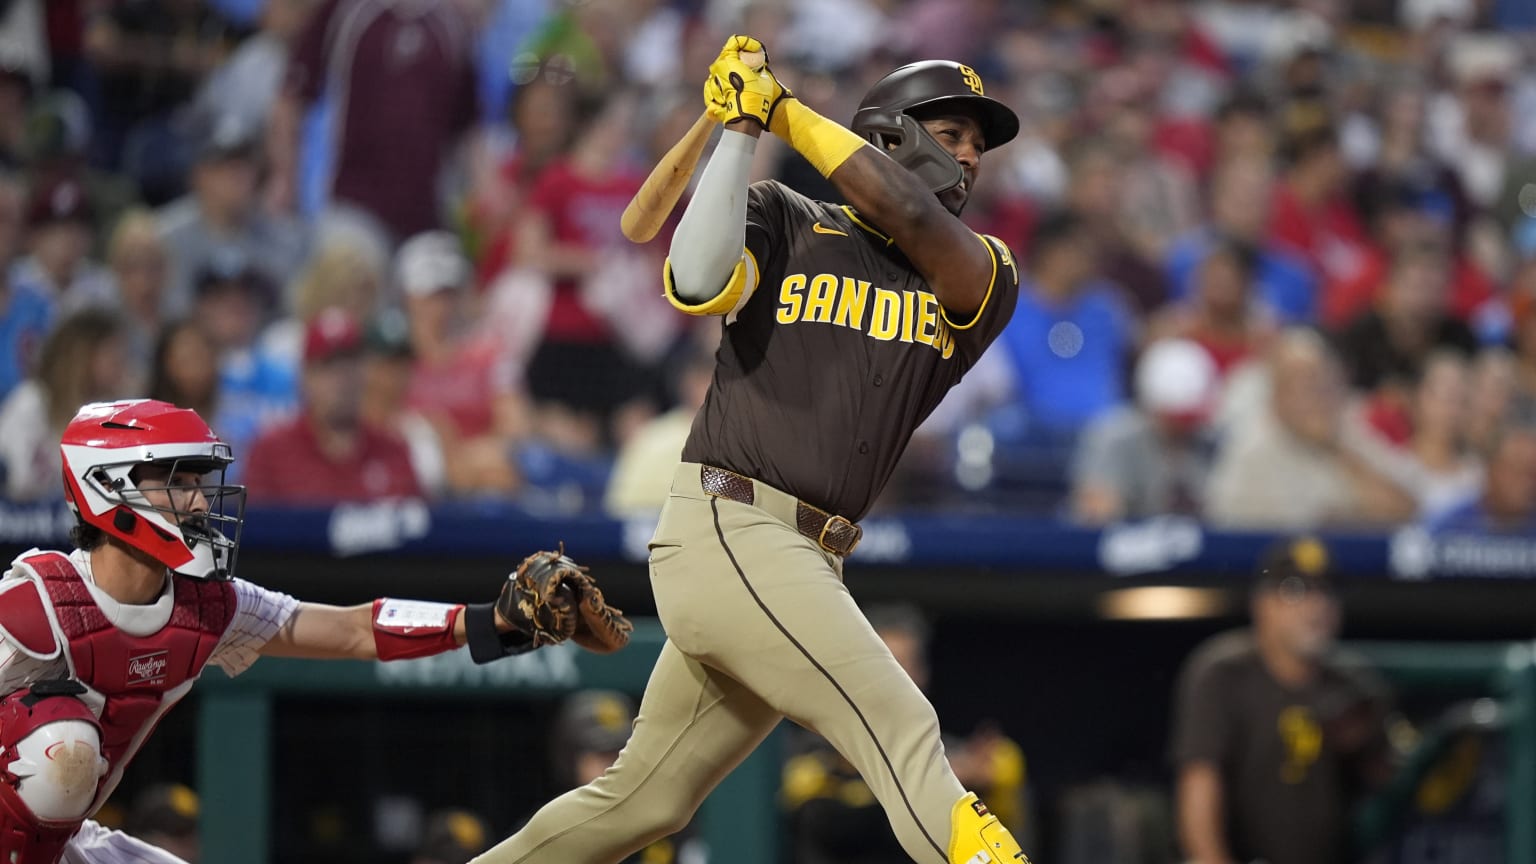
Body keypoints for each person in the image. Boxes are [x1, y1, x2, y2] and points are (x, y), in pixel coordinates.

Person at [473, 35, 1028, 864]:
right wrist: (739, 129)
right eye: (951, 136)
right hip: (732, 522)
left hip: (806, 557)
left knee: (641, 800)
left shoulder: (983, 270)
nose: (970, 158)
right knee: (903, 723)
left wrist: (782, 110)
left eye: (978, 146)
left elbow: (909, 214)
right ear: (891, 135)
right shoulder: (789, 215)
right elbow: (696, 281)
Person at [0, 397, 626, 863]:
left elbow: (351, 631)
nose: (197, 503)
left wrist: (491, 625)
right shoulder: (35, 600)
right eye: (177, 482)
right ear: (105, 487)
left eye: (198, 482)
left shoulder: (205, 605)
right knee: (60, 751)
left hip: (68, 844)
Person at [1171, 537, 1395, 864]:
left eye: (1326, 592)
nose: (1316, 606)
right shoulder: (1225, 674)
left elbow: (1391, 798)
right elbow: (1199, 784)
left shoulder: (1355, 683)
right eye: (1296, 591)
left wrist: (1363, 751)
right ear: (1262, 603)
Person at [784, 604, 1029, 864]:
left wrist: (965, 780)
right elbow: (830, 826)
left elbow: (1004, 785)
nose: (895, 678)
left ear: (922, 672)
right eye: (885, 664)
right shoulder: (817, 752)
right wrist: (933, 784)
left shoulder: (949, 754)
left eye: (904, 664)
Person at [243, 307, 423, 504]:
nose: (342, 379)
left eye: (350, 364)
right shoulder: (272, 453)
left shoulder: (393, 451)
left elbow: (420, 527)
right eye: (328, 366)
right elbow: (251, 529)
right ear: (306, 377)